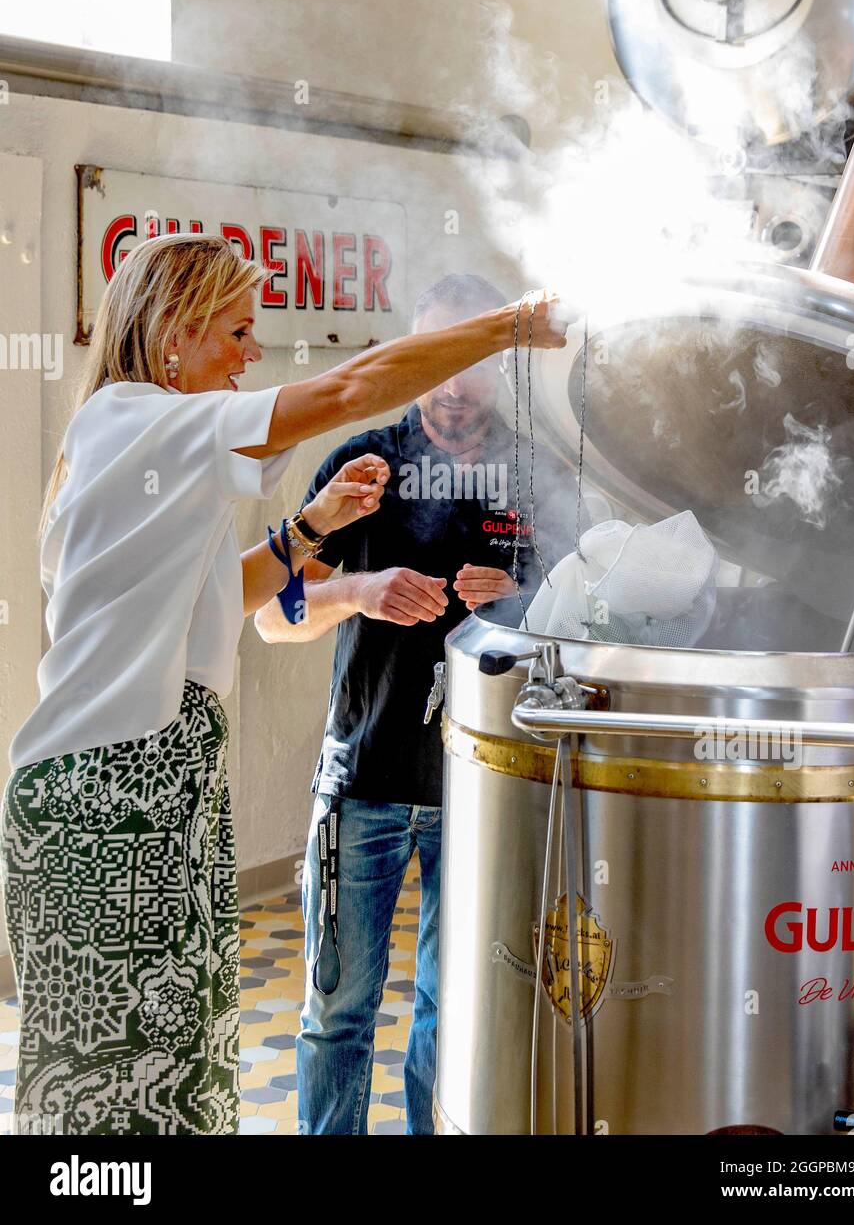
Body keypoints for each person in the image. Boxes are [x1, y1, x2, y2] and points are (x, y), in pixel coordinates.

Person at [0, 234, 566, 1136]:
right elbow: (348, 391)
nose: (251, 352)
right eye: (235, 329)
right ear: (172, 332)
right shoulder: (134, 417)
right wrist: (512, 325)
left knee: (174, 1070)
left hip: (158, 791)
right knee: (107, 1091)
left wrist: (312, 526)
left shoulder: (151, 438)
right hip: (104, 799)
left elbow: (223, 591)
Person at [255, 273, 582, 1135]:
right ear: (414, 357)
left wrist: (519, 591)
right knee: (339, 1012)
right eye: (440, 361)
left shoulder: (537, 474)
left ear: (496, 362)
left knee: (452, 1009)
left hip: (484, 788)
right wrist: (358, 590)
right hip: (360, 778)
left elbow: (588, 615)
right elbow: (271, 616)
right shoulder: (360, 466)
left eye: (473, 363)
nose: (457, 386)